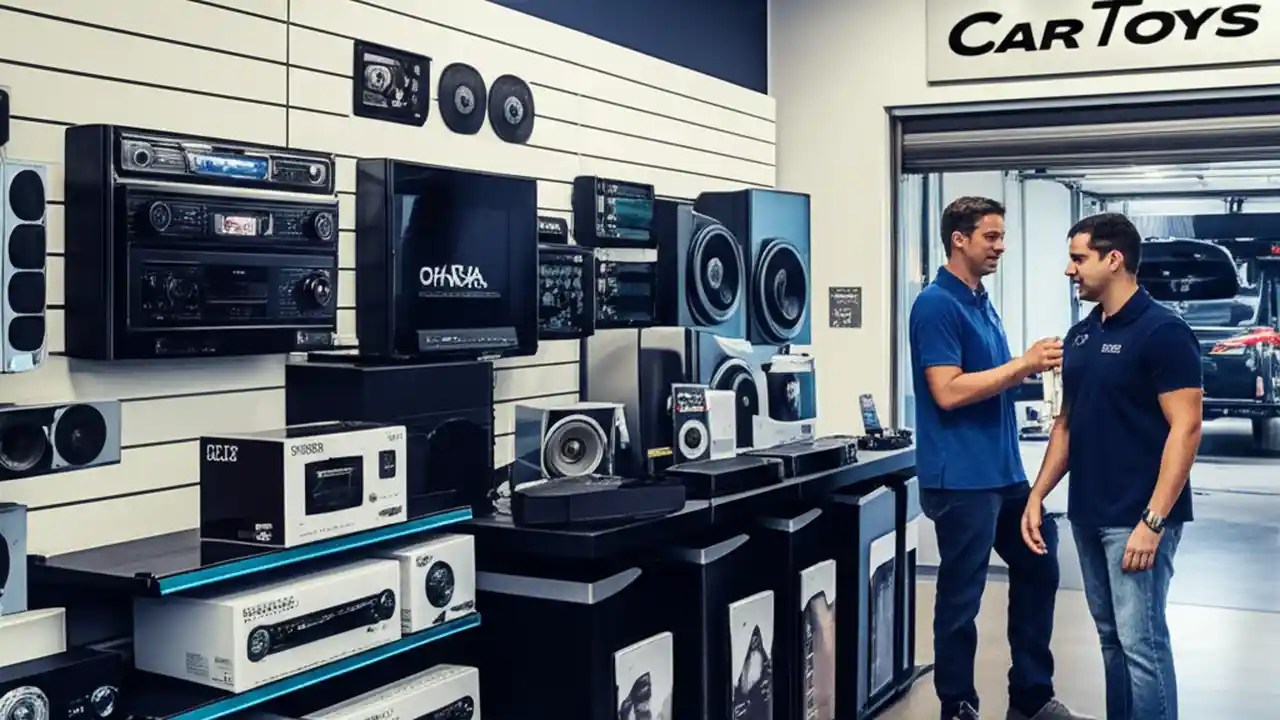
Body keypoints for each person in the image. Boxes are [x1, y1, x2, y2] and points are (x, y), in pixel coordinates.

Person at [909, 196, 1092, 720]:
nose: (1000, 247)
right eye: (990, 237)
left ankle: (1031, 697)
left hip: (1003, 473)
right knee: (961, 596)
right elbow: (948, 390)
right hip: (961, 478)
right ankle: (957, 704)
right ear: (959, 239)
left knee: (1039, 562)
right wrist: (1021, 365)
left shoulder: (979, 300)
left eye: (1002, 236)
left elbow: (994, 382)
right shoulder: (936, 305)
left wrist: (1045, 374)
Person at [1022, 213, 1202, 720]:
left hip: (1137, 518)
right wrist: (1037, 494)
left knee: (1142, 643)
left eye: (1078, 258)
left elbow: (1186, 428)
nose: (1070, 270)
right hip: (1088, 513)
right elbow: (1066, 424)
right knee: (1110, 638)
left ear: (1114, 259)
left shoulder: (1163, 332)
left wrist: (1153, 521)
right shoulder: (1080, 336)